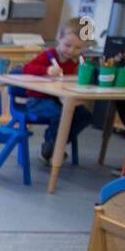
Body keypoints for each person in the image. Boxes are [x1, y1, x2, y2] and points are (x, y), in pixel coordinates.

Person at [22, 17, 94, 162]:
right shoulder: (49, 56)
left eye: (78, 48)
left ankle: (55, 145)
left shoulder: (78, 60)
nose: (72, 51)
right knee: (61, 114)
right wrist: (47, 69)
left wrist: (84, 71)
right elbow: (26, 69)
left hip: (61, 100)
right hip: (38, 100)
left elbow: (82, 79)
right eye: (68, 45)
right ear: (59, 38)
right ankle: (52, 146)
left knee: (85, 116)